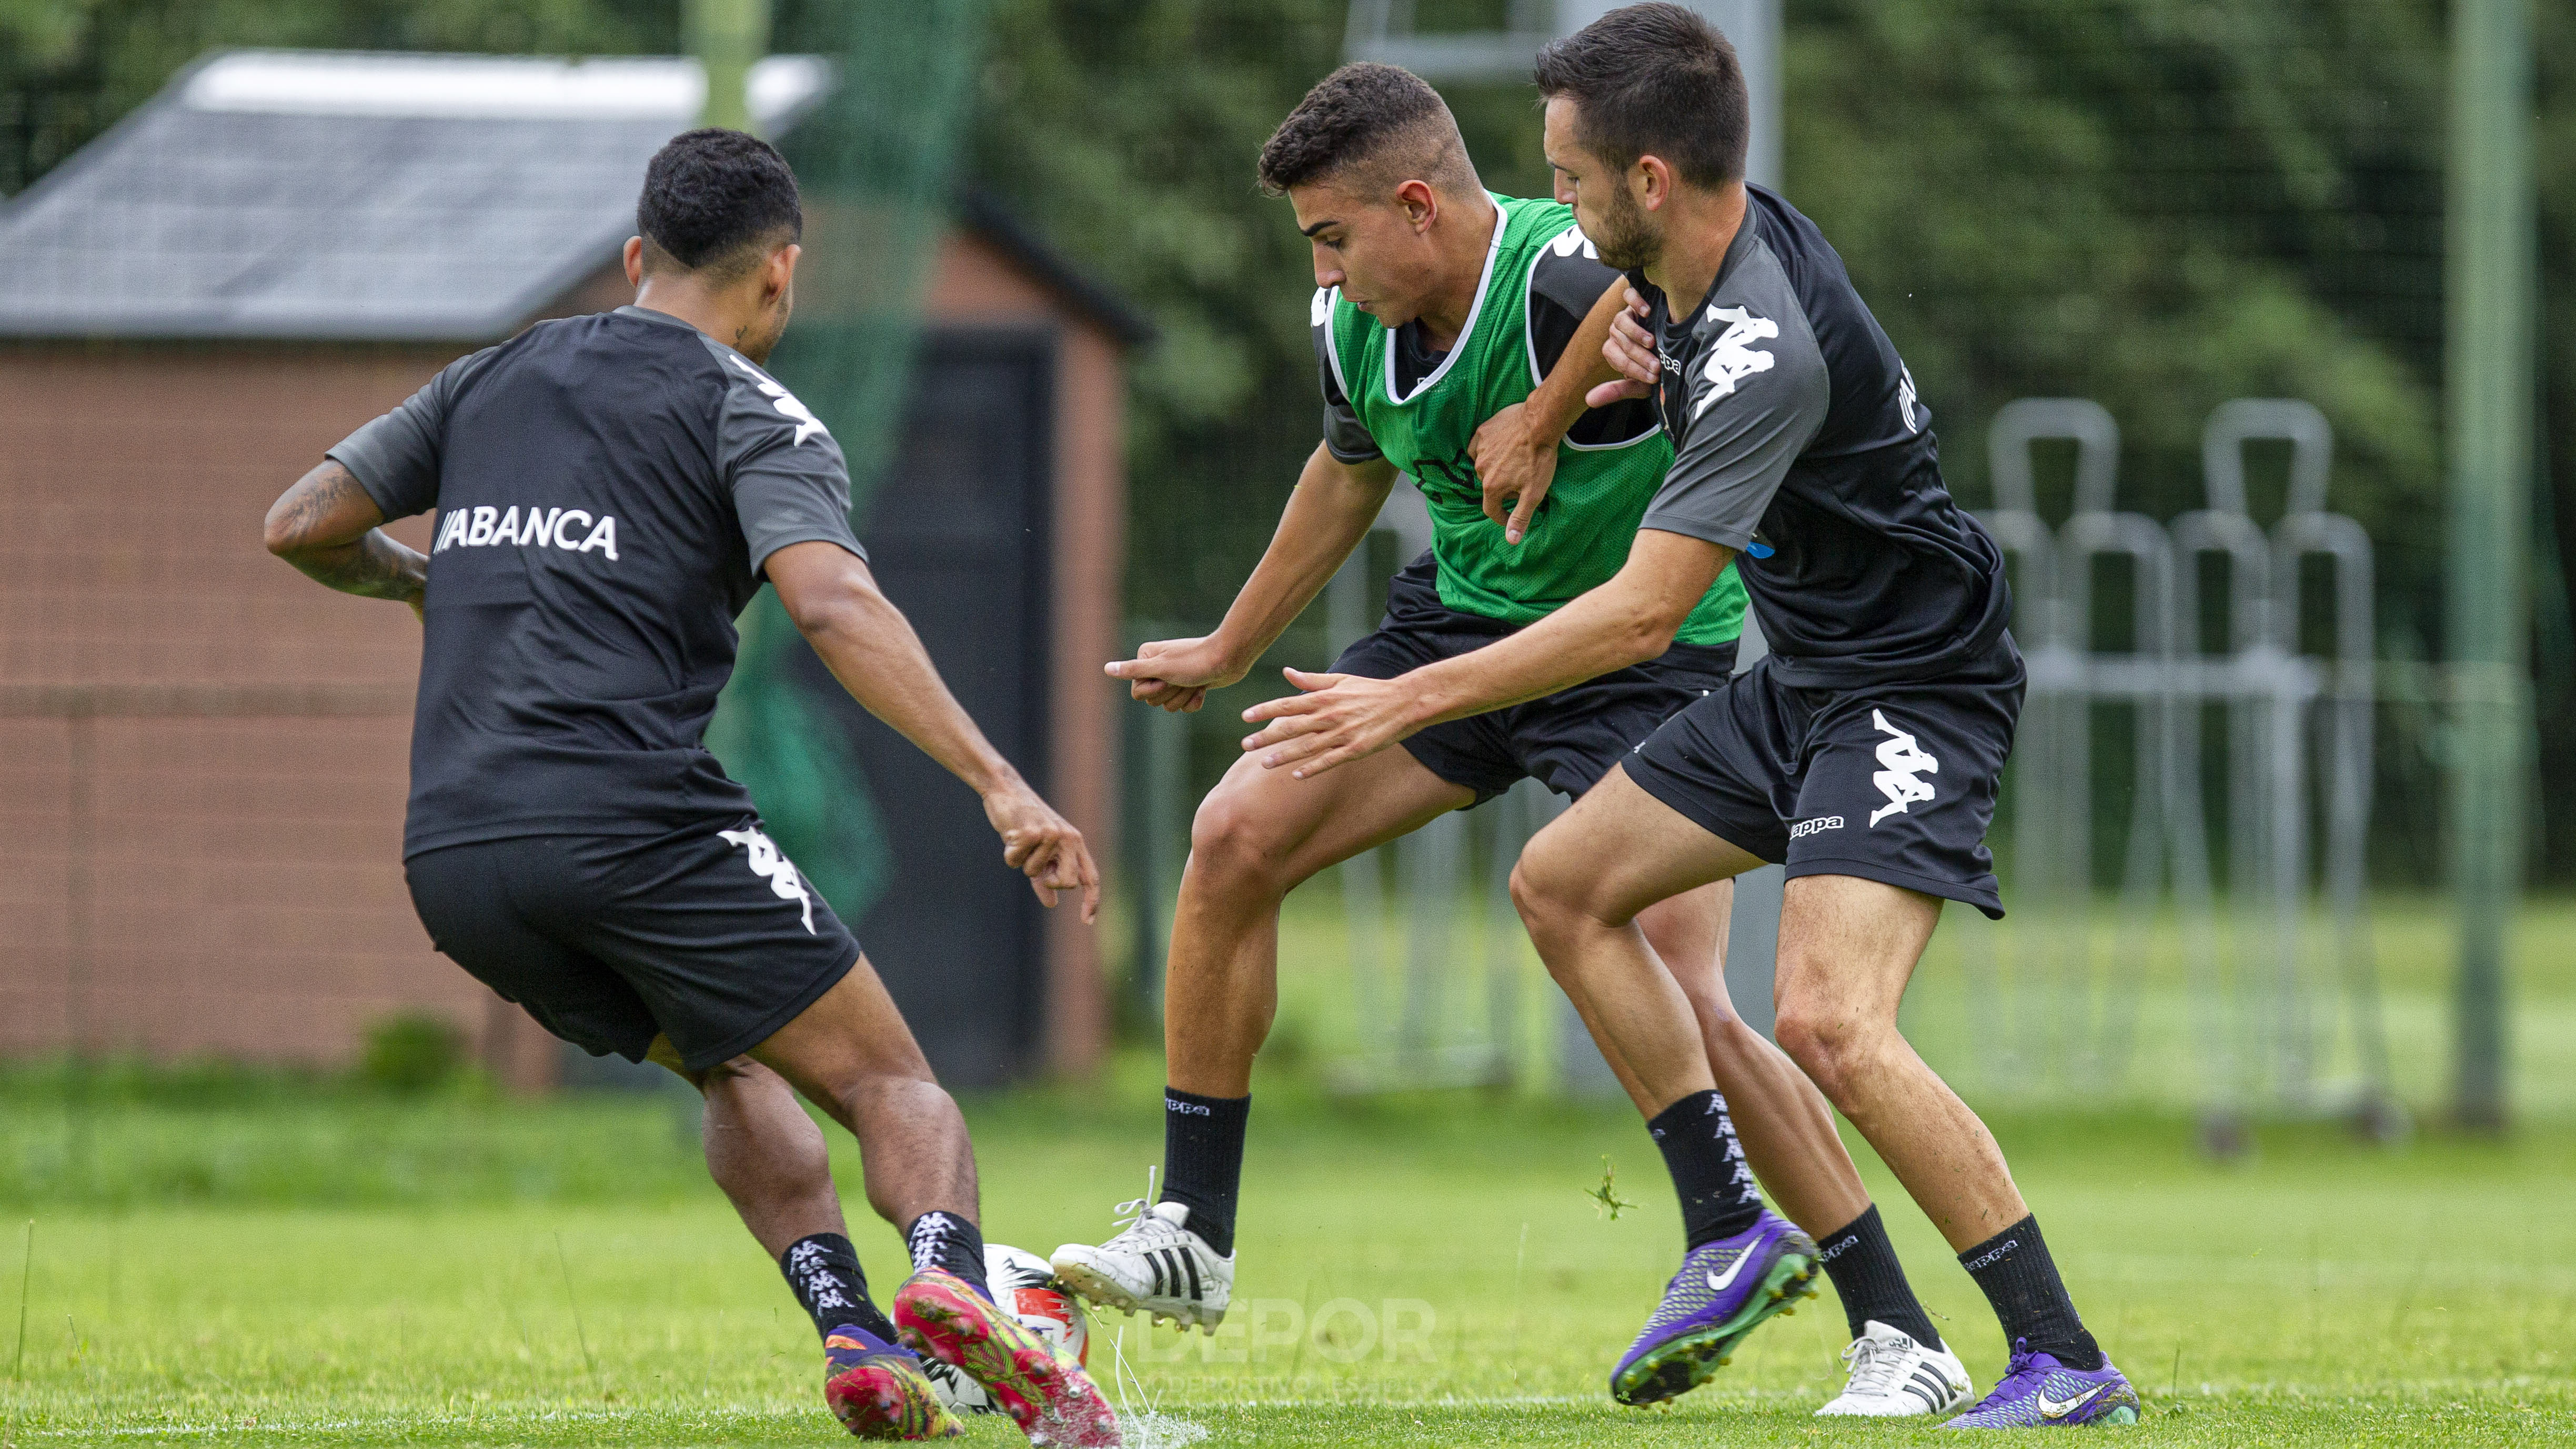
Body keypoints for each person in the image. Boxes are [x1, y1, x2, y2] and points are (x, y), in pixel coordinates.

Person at [1234, 7, 2140, 1428]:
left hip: (1915, 687)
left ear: (1649, 178)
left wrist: (1402, 697)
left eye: (1574, 179)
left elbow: (1645, 616)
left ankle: (2062, 1356)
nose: (1557, 205)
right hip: (1811, 679)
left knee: (1831, 1023)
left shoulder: (1763, 352)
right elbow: (1618, 292)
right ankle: (1731, 1226)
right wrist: (1541, 410)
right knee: (1562, 886)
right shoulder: (1689, 250)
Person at [1046, 63, 1963, 1418]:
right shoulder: (1352, 320)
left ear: (1418, 204)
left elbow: (1649, 304)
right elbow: (1345, 472)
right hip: (1458, 635)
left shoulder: (1555, 276)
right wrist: (1232, 646)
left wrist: (1551, 408)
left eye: (1334, 234)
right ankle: (1192, 1232)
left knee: (1684, 991)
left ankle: (1892, 1325)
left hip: (1634, 654)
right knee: (1234, 833)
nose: (1323, 264)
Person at [261, 128, 1121, 1447]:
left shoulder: (492, 376)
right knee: (896, 1087)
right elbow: (834, 603)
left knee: (731, 1064)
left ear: (632, 258)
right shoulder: (751, 408)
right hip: (631, 823)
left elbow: (304, 521)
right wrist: (1000, 783)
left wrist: (422, 579)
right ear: (780, 278)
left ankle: (855, 1339)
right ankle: (950, 1280)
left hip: (457, 858)